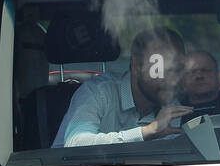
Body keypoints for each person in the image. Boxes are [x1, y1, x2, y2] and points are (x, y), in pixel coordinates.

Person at [52, 26, 192, 146]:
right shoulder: (99, 92)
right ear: (136, 65)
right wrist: (148, 131)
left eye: (178, 69)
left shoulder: (172, 107)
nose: (173, 79)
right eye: (163, 69)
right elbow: (75, 143)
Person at [181, 50, 220, 117]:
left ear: (218, 73)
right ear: (182, 79)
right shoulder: (173, 113)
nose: (199, 76)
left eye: (205, 70)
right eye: (192, 72)